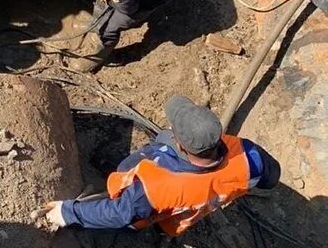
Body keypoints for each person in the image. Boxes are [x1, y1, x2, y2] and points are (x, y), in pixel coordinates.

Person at [39, 95, 280, 236]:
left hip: (146, 214)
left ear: (182, 145)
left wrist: (68, 212)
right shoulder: (249, 156)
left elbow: (119, 213)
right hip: (180, 218)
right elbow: (272, 177)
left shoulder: (155, 186)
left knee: (116, 187)